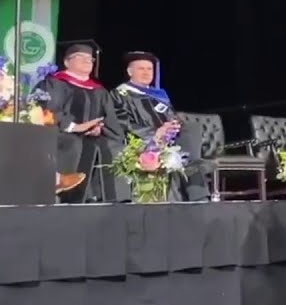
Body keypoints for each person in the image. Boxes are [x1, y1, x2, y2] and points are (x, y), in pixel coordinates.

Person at [111, 51, 210, 201]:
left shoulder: (159, 95)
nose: (146, 73)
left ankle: (198, 192)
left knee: (191, 129)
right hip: (142, 139)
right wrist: (156, 133)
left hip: (168, 140)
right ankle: (195, 182)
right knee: (187, 153)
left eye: (149, 69)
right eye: (141, 69)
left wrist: (172, 128)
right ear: (130, 71)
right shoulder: (120, 94)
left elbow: (171, 117)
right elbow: (122, 122)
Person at [37, 44, 127, 202]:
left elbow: (110, 119)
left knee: (115, 146)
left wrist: (99, 128)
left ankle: (111, 201)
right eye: (81, 57)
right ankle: (65, 197)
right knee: (73, 143)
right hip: (61, 133)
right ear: (66, 62)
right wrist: (75, 127)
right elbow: (47, 111)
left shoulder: (100, 90)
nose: (88, 61)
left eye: (90, 59)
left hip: (92, 136)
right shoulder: (53, 83)